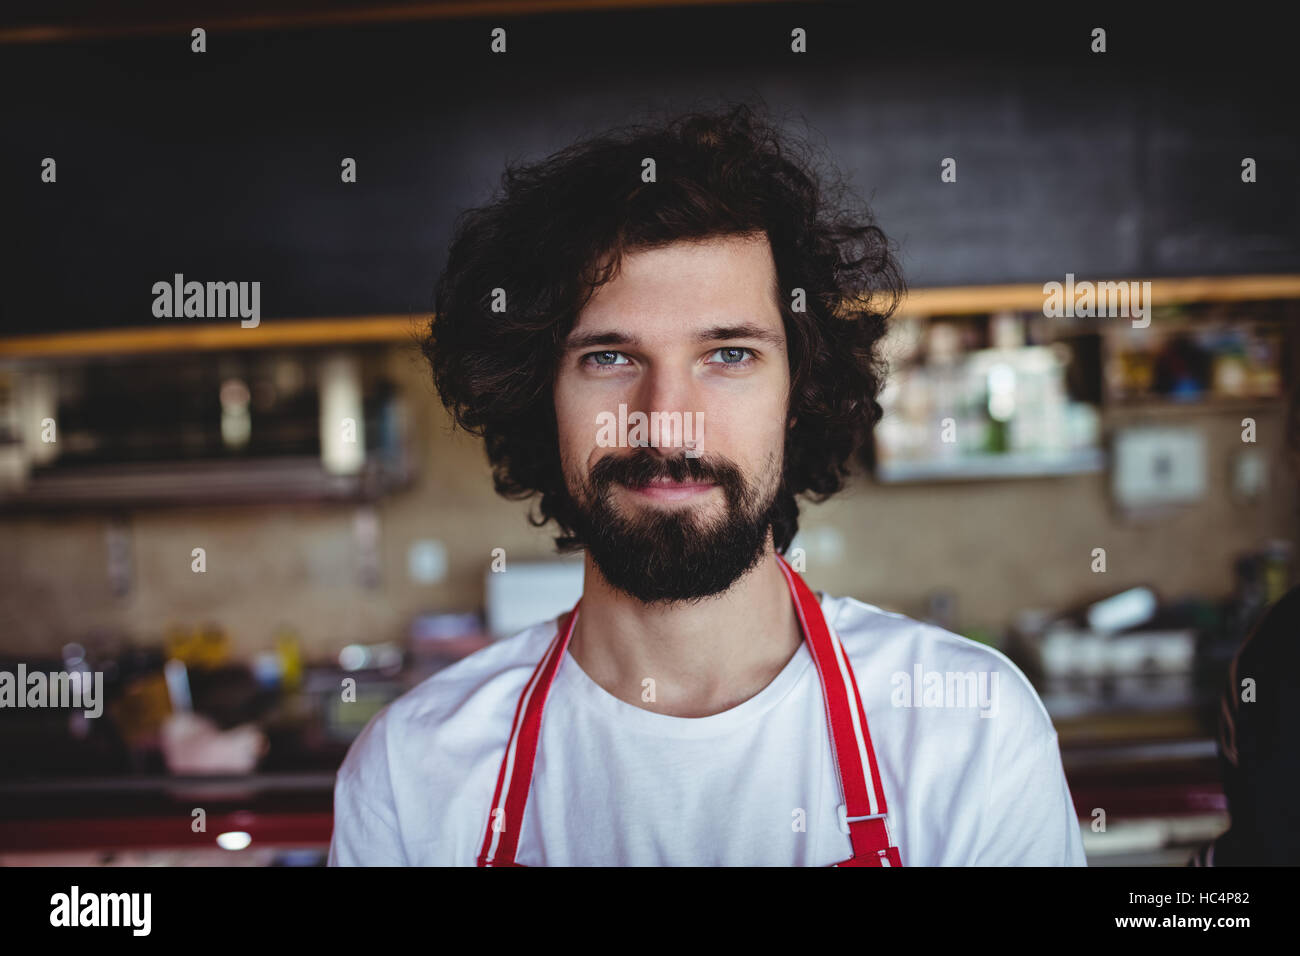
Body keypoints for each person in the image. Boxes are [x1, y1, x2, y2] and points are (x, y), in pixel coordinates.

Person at [328, 102, 1085, 866]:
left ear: (799, 394)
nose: (665, 425)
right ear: (540, 398)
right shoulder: (411, 777)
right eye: (609, 358)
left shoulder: (971, 735)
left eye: (728, 355)